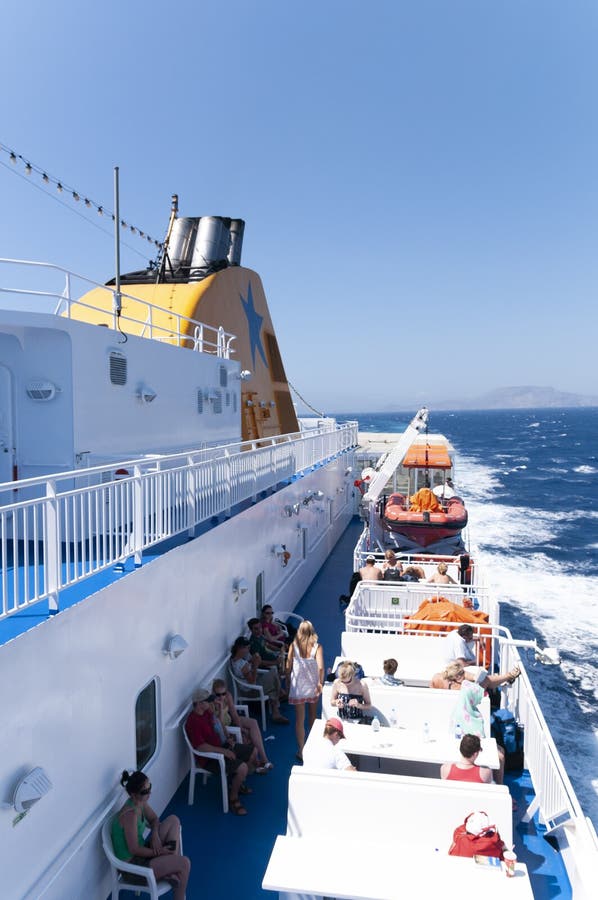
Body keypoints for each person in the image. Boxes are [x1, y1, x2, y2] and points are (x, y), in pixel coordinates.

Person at [111, 770, 190, 897]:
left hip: (143, 855)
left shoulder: (140, 803)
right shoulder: (130, 815)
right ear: (133, 795)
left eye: (149, 788)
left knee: (173, 820)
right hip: (133, 868)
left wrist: (154, 836)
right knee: (184, 863)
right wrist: (159, 852)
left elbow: (154, 819)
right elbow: (134, 849)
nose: (149, 793)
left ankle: (169, 869)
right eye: (145, 792)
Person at [185, 688, 257, 815]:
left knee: (253, 752)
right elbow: (201, 747)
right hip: (211, 758)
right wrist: (223, 751)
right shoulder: (193, 722)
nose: (210, 703)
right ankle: (233, 797)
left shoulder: (206, 712)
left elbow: (217, 723)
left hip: (222, 747)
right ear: (199, 703)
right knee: (243, 768)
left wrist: (228, 737)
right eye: (208, 701)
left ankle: (236, 783)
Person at [211, 678, 273, 772]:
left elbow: (234, 714)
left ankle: (264, 759)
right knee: (246, 734)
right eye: (218, 694)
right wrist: (220, 708)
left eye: (223, 693)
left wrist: (241, 729)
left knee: (253, 723)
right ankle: (254, 764)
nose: (221, 696)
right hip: (224, 728)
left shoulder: (228, 696)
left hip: (230, 720)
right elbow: (219, 724)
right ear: (213, 693)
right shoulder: (211, 704)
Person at [286, 620, 325, 761]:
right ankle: (313, 747)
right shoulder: (317, 648)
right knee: (313, 718)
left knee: (299, 720)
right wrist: (320, 683)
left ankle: (302, 751)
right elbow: (320, 667)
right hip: (312, 686)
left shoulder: (293, 646)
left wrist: (287, 680)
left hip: (298, 687)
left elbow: (288, 665)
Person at [230, 636, 289, 724]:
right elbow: (252, 681)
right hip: (251, 691)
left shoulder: (236, 659)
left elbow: (248, 665)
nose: (248, 650)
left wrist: (252, 661)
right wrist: (255, 665)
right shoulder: (242, 666)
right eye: (247, 648)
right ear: (240, 648)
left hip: (252, 685)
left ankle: (276, 710)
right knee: (274, 674)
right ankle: (280, 696)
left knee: (273, 680)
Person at [442, 625, 521, 690]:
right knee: (484, 679)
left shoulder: (454, 633)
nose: (471, 639)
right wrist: (475, 661)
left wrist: (478, 639)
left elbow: (466, 639)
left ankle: (502, 679)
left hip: (452, 667)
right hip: (455, 669)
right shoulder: (459, 644)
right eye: (470, 637)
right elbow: (461, 664)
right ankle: (509, 676)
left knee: (480, 677)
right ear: (464, 637)